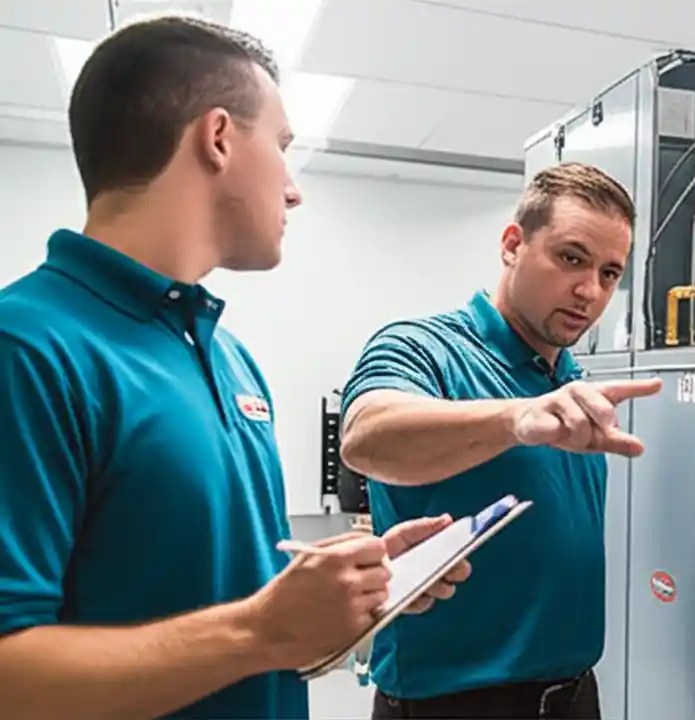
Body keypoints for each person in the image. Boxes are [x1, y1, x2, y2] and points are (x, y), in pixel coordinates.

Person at [0, 16, 466, 719]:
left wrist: (351, 597)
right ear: (217, 138)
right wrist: (261, 629)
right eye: (281, 146)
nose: (293, 188)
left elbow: (225, 615)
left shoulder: (227, 355)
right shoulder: (27, 348)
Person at [339, 161, 662, 719]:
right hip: (452, 704)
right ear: (513, 244)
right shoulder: (425, 346)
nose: (590, 291)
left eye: (610, 273)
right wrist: (515, 419)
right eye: (571, 258)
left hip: (572, 696)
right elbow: (366, 436)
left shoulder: (572, 379)